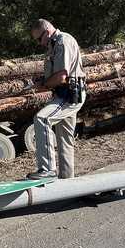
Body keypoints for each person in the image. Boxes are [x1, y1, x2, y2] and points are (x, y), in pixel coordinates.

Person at [25, 19, 87, 180]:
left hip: (70, 94)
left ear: (47, 31)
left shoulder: (62, 41)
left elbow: (61, 76)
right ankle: (68, 182)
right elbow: (55, 74)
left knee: (42, 118)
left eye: (39, 39)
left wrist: (43, 85)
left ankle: (47, 169)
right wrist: (42, 81)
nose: (39, 43)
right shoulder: (53, 44)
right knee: (64, 139)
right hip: (65, 93)